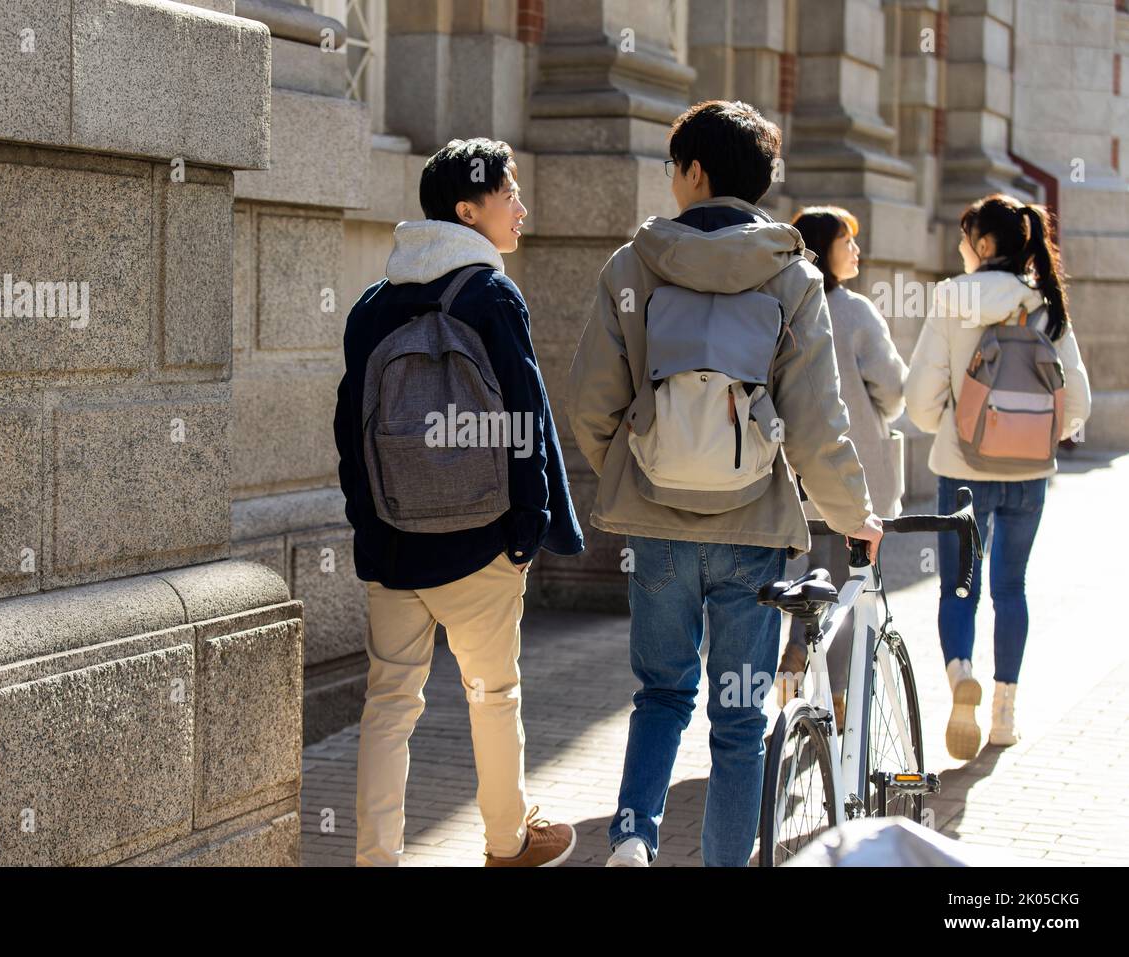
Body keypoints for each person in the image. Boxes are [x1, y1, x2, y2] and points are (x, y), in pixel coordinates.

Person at [567, 100, 882, 867]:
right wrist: (855, 515)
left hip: (658, 526)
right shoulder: (792, 275)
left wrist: (632, 467)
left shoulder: (631, 265)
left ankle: (635, 836)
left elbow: (587, 403)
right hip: (751, 529)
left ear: (696, 172)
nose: (670, 180)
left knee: (662, 694)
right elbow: (816, 421)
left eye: (674, 166)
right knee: (740, 720)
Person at [333, 137, 585, 866]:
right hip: (481, 542)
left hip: (394, 549)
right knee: (493, 694)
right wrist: (526, 531)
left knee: (387, 709)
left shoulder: (372, 305)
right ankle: (507, 842)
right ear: (467, 210)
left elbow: (350, 428)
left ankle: (375, 857)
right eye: (510, 195)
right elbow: (525, 417)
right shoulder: (490, 294)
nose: (522, 209)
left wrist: (368, 528)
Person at [905, 193, 1090, 760]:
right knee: (1012, 587)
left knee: (961, 585)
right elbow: (1076, 403)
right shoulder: (1046, 303)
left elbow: (918, 399)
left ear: (983, 245)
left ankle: (962, 673)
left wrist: (951, 422)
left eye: (965, 238)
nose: (961, 249)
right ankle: (1005, 712)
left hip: (962, 467)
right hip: (1029, 472)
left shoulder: (952, 298)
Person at [775, 207, 909, 727]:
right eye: (845, 240)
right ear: (822, 248)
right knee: (849, 592)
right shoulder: (854, 311)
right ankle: (840, 700)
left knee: (809, 582)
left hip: (793, 475)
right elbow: (893, 390)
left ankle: (790, 672)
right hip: (853, 480)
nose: (855, 249)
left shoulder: (782, 303)